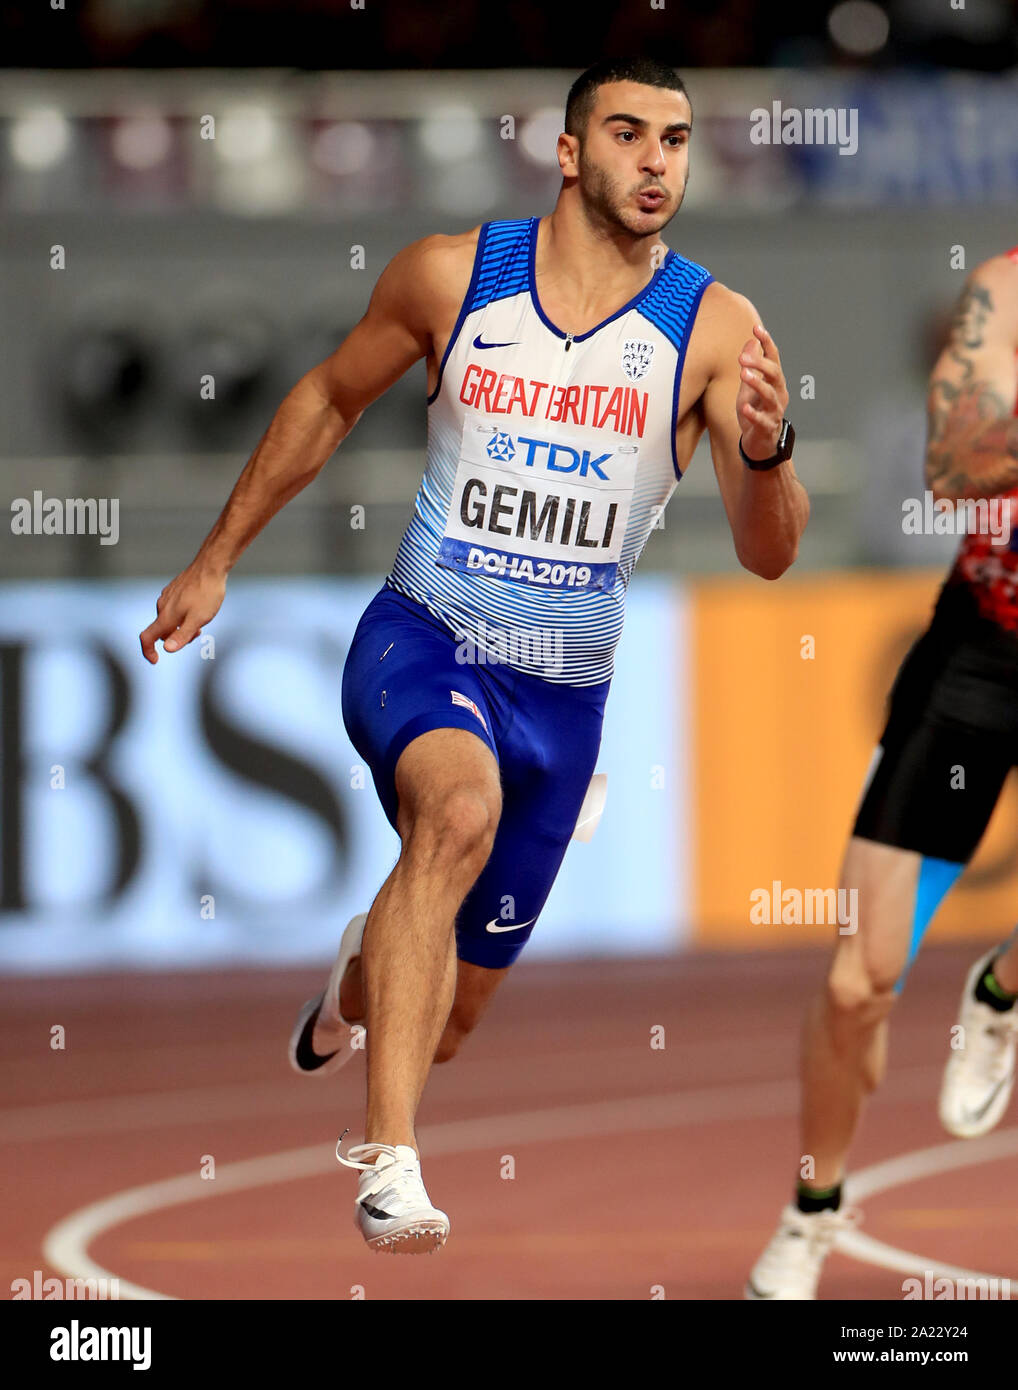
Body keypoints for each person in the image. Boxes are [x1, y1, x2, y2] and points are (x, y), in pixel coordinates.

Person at [140, 56, 808, 1255]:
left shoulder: (714, 327)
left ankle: (358, 975)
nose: (657, 161)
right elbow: (325, 400)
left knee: (447, 1012)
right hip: (425, 634)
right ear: (566, 151)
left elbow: (768, 555)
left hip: (564, 700)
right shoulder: (453, 275)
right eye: (628, 133)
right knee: (453, 812)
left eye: (677, 139)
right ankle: (389, 1163)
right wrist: (215, 555)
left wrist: (766, 455)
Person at [747, 246, 1018, 1300]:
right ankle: (811, 1212)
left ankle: (999, 990)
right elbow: (955, 464)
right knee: (858, 980)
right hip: (983, 648)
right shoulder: (1004, 289)